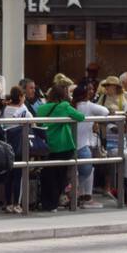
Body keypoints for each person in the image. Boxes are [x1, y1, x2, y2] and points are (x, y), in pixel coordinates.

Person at [34, 83, 87, 212]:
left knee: (47, 175)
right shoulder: (64, 106)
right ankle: (53, 203)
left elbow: (39, 123)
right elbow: (81, 117)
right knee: (60, 176)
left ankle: (46, 203)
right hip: (63, 147)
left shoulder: (42, 108)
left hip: (46, 146)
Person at [70, 81, 108, 209]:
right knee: (86, 171)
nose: (92, 92)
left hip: (70, 145)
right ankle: (75, 192)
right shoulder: (89, 106)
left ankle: (82, 196)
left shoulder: (71, 105)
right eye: (89, 90)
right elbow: (105, 111)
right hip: (83, 145)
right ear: (85, 94)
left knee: (76, 171)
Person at [0, 86, 30, 213]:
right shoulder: (23, 110)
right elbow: (33, 121)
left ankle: (8, 203)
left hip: (7, 145)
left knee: (9, 175)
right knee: (18, 175)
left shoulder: (5, 109)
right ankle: (17, 203)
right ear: (21, 97)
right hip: (20, 145)